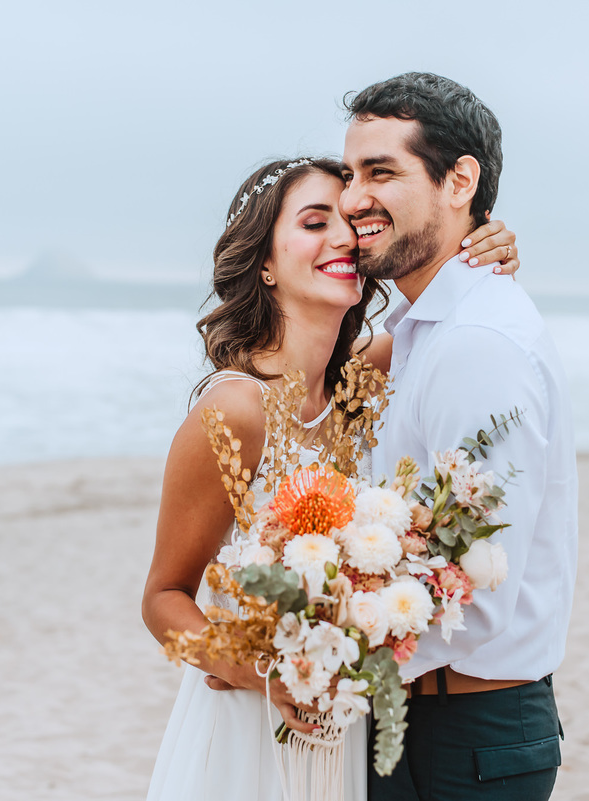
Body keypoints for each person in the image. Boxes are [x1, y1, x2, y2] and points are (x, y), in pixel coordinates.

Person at [141, 155, 520, 801]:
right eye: (315, 223)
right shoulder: (235, 409)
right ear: (265, 262)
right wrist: (262, 672)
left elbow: (450, 311)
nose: (344, 238)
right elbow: (163, 597)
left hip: (342, 730)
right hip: (251, 729)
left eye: (348, 223)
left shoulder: (363, 382)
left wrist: (487, 248)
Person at [339, 72, 578, 800]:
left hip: (463, 737)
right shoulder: (419, 335)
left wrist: (316, 652)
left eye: (381, 172)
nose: (353, 200)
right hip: (422, 718)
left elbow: (478, 595)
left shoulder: (476, 344)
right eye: (349, 176)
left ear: (460, 182)